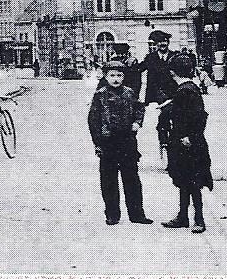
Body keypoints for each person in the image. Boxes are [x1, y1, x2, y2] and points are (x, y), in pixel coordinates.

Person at [88, 60, 152, 225]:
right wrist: (97, 142)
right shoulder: (100, 95)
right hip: (108, 142)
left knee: (131, 178)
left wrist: (137, 122)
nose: (115, 79)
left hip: (127, 141)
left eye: (119, 75)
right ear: (105, 76)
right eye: (112, 75)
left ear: (124, 77)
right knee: (109, 180)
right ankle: (112, 214)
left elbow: (139, 108)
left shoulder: (129, 93)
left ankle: (137, 214)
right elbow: (93, 120)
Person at [161, 54, 213, 233]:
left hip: (188, 143)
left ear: (172, 72)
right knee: (184, 181)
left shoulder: (185, 90)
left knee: (192, 183)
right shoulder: (189, 88)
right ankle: (183, 216)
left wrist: (189, 136)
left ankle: (199, 219)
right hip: (185, 142)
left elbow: (198, 117)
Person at [142, 31, 178, 153]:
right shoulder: (150, 57)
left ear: (168, 43)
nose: (162, 44)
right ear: (156, 44)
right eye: (159, 42)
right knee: (163, 116)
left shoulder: (174, 56)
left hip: (173, 92)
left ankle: (170, 140)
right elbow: (138, 69)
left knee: (173, 116)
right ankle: (163, 140)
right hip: (156, 93)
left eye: (165, 41)